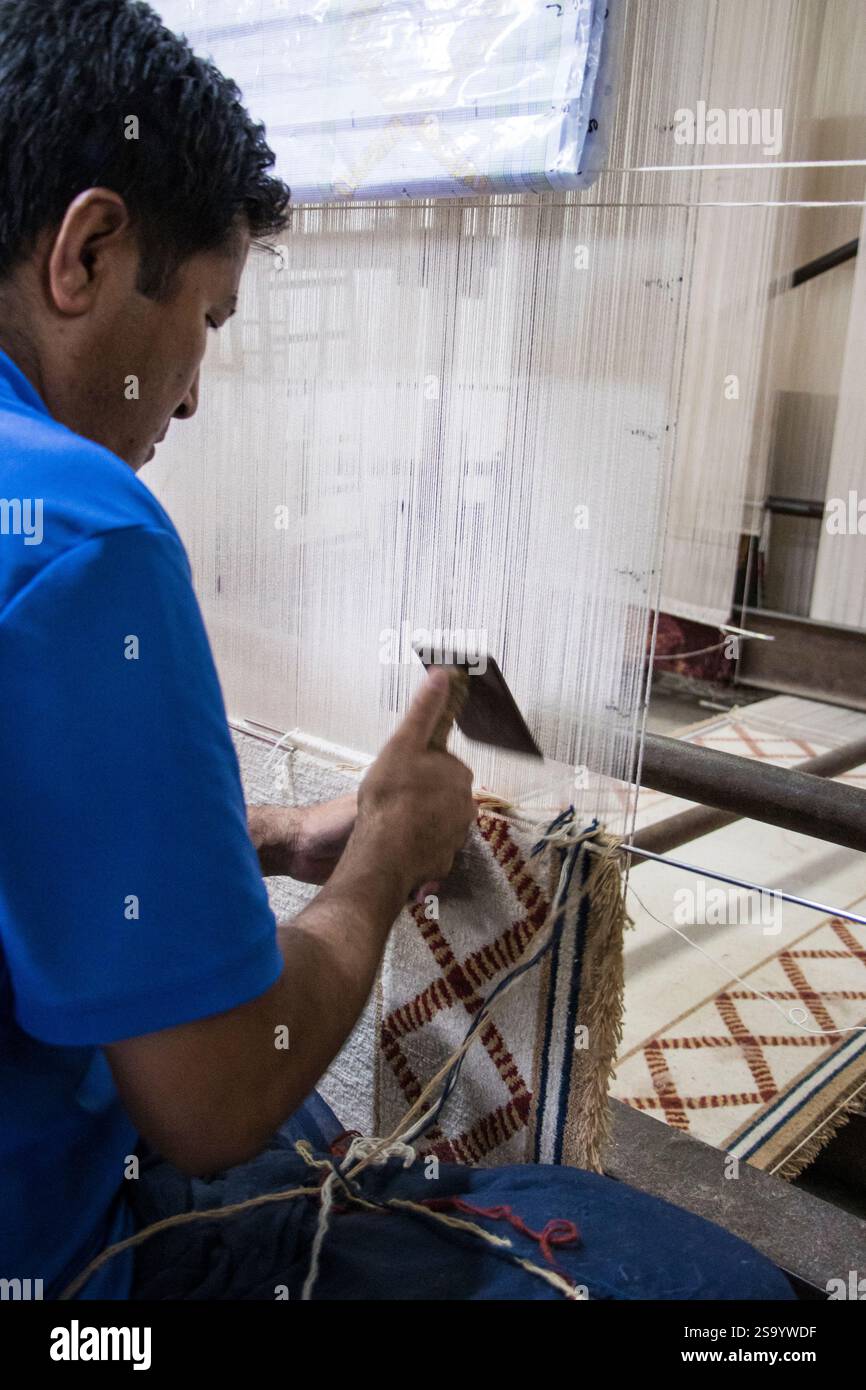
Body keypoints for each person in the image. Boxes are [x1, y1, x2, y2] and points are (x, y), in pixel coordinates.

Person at [0, 0, 794, 1301]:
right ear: (87, 250)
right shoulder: (85, 533)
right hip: (63, 1265)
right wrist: (380, 860)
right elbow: (216, 1095)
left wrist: (262, 835)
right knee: (705, 1288)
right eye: (208, 316)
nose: (194, 392)